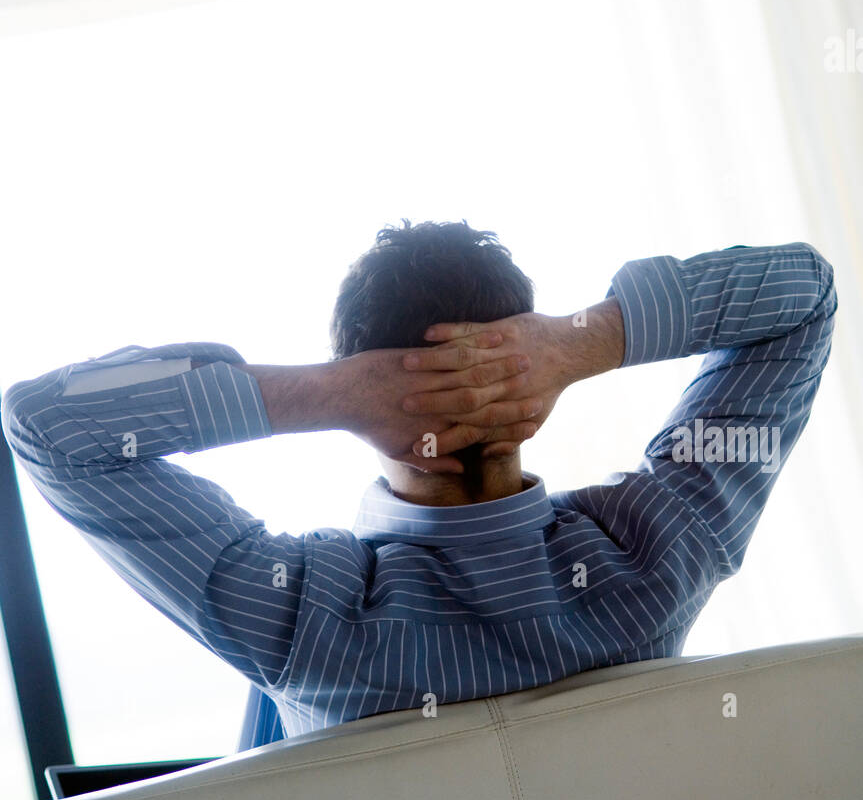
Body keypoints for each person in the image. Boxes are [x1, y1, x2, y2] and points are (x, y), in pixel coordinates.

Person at [1, 222, 836, 738]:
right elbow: (803, 295)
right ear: (531, 394)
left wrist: (330, 393)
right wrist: (582, 341)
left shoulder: (297, 618)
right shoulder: (657, 557)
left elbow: (45, 423)